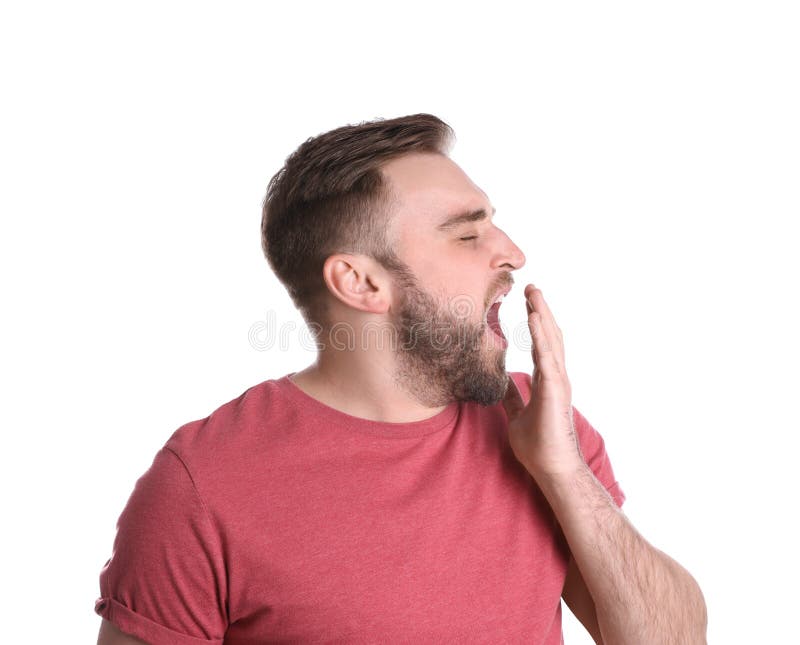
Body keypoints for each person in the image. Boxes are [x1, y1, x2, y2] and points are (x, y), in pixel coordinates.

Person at [95, 114, 707, 644]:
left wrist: (565, 473)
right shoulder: (201, 486)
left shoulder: (543, 432)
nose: (513, 253)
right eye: (468, 234)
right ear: (359, 282)